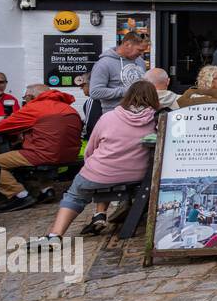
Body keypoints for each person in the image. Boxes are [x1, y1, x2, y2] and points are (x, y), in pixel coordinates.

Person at [37, 81, 160, 242]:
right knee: (111, 172)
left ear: (127, 96)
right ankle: (99, 214)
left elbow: (91, 149)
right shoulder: (157, 120)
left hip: (100, 173)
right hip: (137, 175)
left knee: (75, 195)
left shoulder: (108, 118)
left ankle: (55, 235)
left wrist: (90, 167)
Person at [0, 85, 83, 210]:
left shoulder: (34, 108)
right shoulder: (68, 108)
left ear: (30, 97)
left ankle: (19, 195)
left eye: (25, 97)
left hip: (44, 154)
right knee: (33, 148)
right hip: (69, 154)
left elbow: (1, 127)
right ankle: (46, 189)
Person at [89, 32, 148, 115]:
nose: (142, 54)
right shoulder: (104, 63)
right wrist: (126, 91)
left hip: (140, 116)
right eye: (139, 50)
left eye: (144, 50)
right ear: (127, 44)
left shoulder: (140, 61)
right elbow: (95, 92)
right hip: (115, 117)